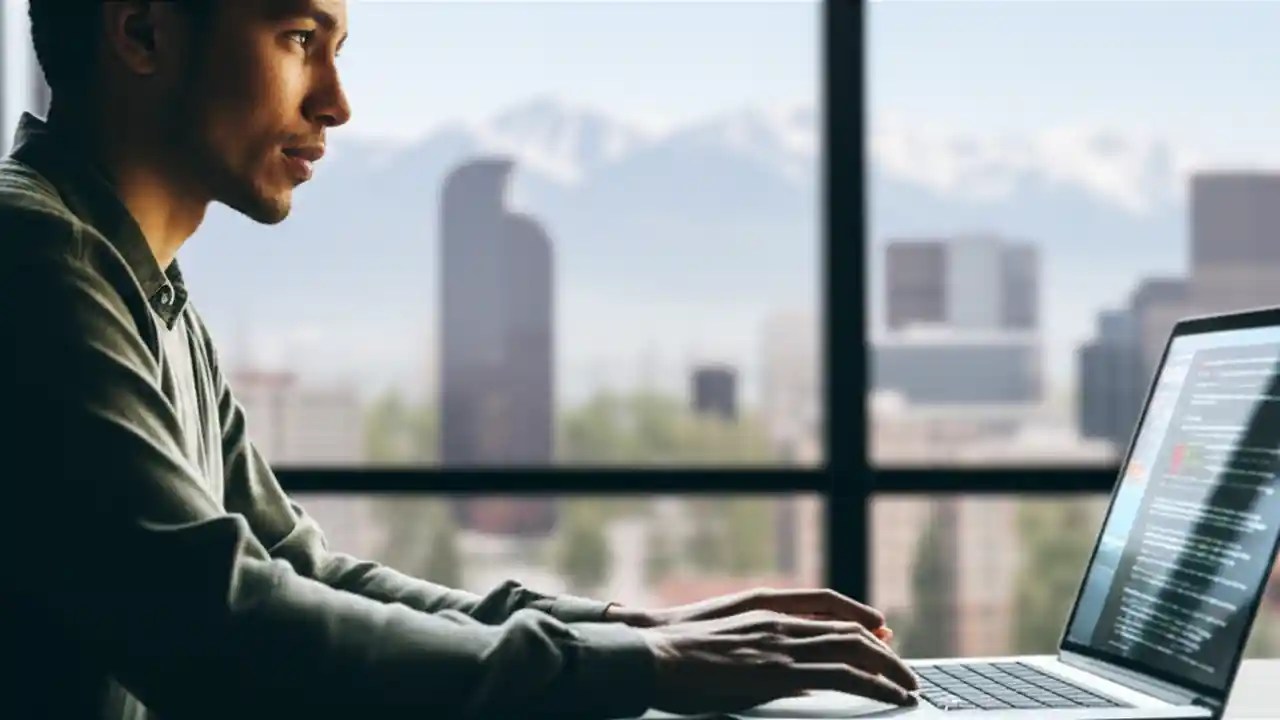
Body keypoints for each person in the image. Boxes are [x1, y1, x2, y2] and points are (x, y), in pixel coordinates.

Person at [0, 1, 920, 718]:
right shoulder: (35, 259)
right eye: (296, 38)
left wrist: (626, 628)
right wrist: (638, 666)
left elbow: (299, 570)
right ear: (142, 30)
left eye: (336, 48)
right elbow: (219, 624)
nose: (335, 101)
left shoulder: (139, 283)